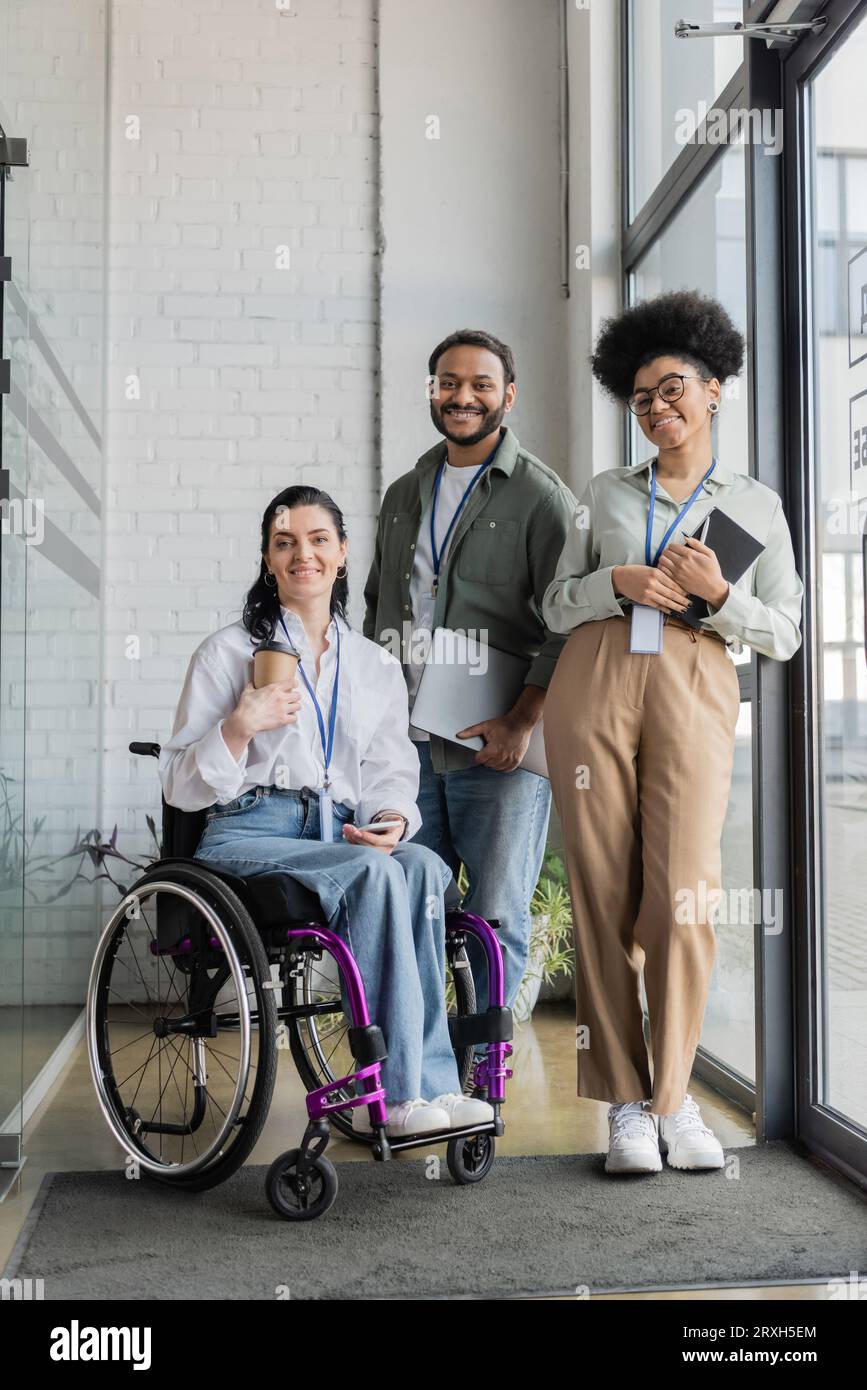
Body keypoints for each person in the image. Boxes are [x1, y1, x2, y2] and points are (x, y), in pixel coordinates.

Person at [541, 290, 803, 1174]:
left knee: (684, 896)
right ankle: (623, 1104)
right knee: (603, 893)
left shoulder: (755, 505)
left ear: (715, 387)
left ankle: (674, 1098)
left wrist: (722, 595)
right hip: (599, 676)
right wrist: (616, 579)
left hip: (696, 674)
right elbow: (551, 603)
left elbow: (787, 631)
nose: (657, 408)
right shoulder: (604, 493)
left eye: (673, 387)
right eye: (642, 397)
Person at [158, 484, 494, 1139]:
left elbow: (390, 769)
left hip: (337, 830)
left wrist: (392, 817)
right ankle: (396, 1095)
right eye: (284, 543)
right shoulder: (227, 653)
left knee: (422, 867)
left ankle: (435, 1085)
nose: (302, 554)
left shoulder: (370, 665)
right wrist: (237, 726)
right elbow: (178, 783)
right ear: (267, 559)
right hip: (247, 832)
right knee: (372, 875)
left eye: (317, 540)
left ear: (342, 554)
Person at [363, 329, 576, 1088]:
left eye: (480, 384)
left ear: (507, 395)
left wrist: (522, 722)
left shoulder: (542, 498)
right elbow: (376, 612)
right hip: (408, 748)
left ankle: (480, 1075)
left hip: (498, 751)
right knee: (405, 902)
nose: (462, 397)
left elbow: (568, 622)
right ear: (430, 391)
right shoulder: (404, 494)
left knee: (494, 915)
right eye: (448, 383)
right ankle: (418, 1077)